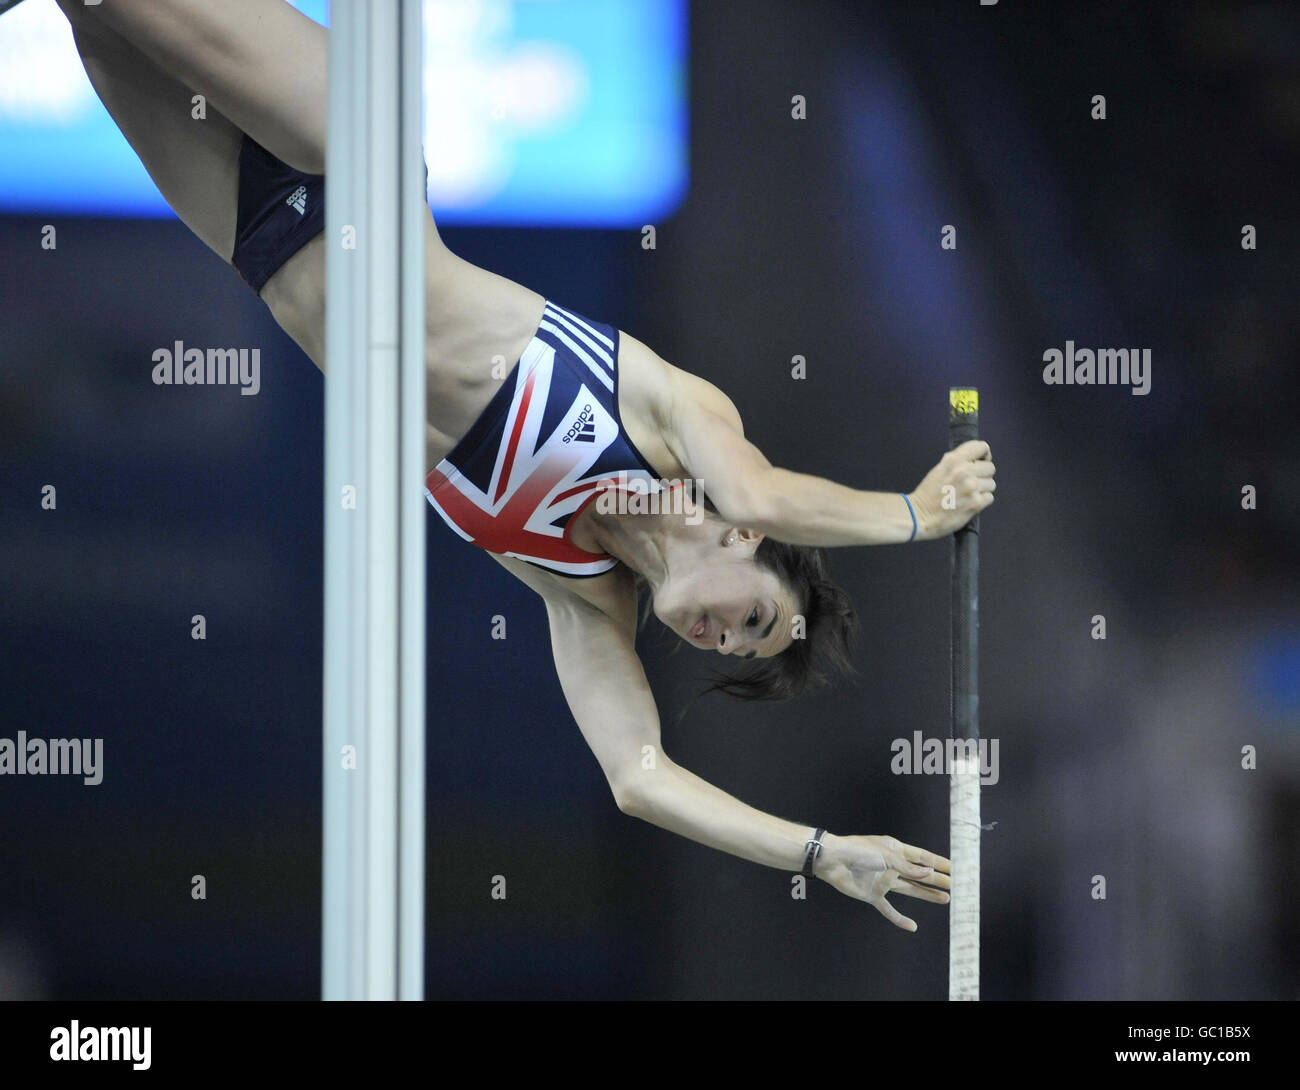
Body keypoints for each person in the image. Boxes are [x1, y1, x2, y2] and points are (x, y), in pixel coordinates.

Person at [48, 0, 997, 931]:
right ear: (751, 539)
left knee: (88, 19)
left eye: (731, 651)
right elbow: (758, 485)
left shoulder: (577, 593)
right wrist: (914, 512)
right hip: (350, 148)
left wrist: (818, 851)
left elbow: (638, 780)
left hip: (254, 239)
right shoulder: (676, 420)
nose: (720, 637)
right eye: (756, 616)